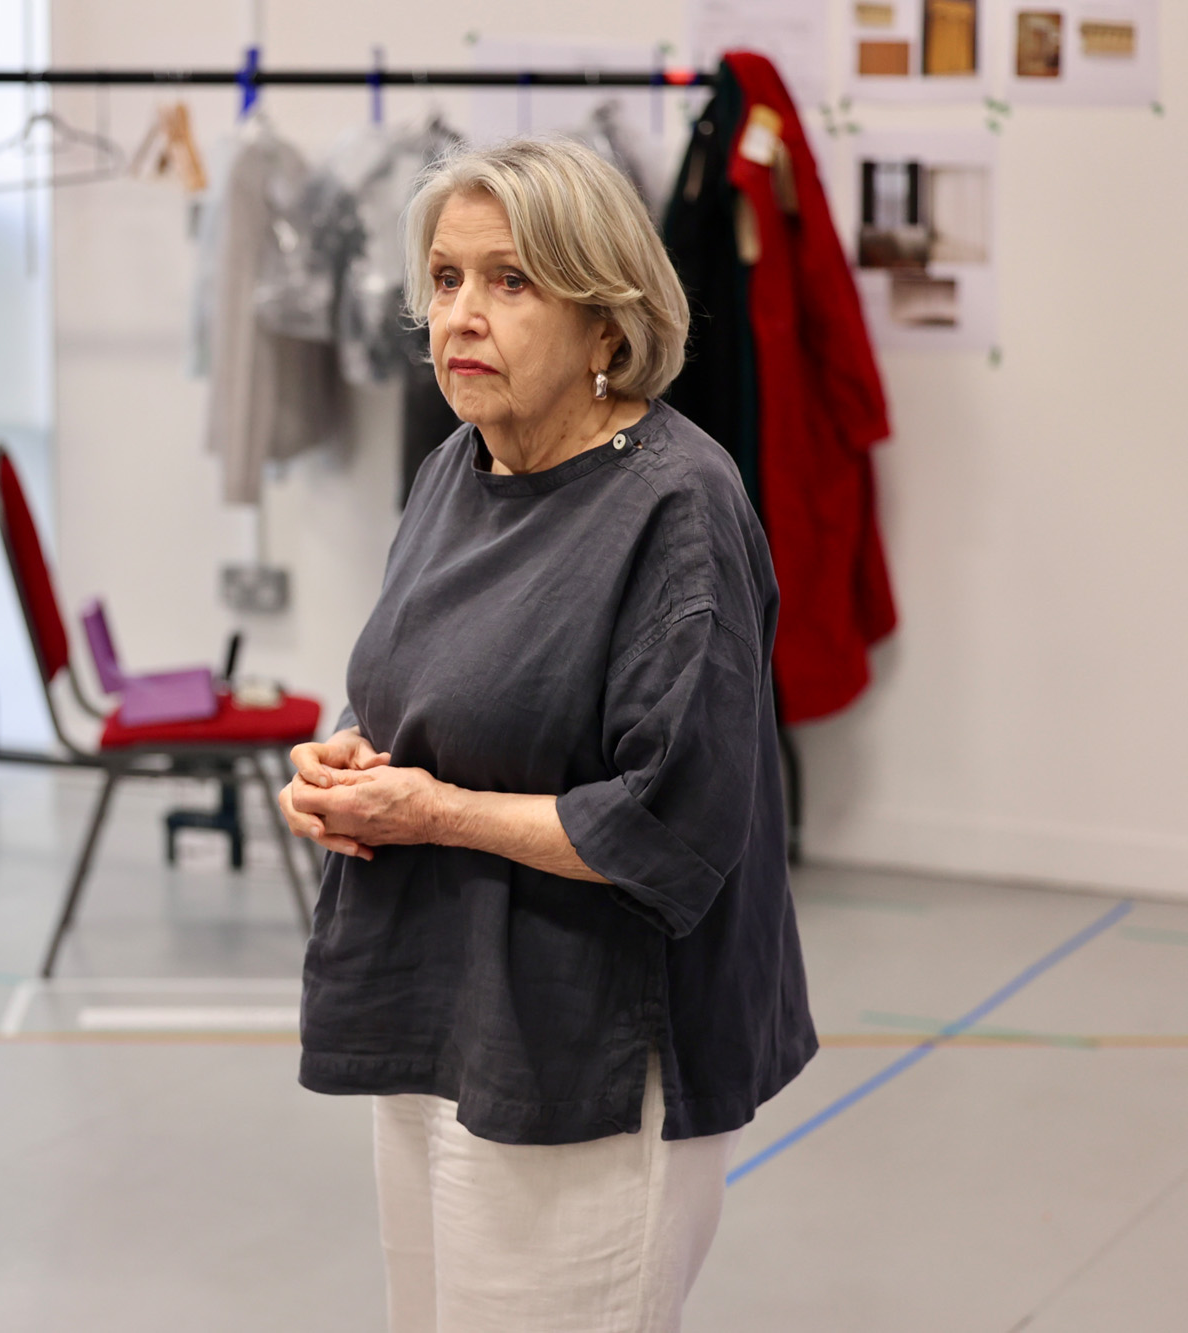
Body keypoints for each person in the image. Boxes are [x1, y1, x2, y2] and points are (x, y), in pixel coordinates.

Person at [277, 137, 816, 1333]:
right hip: (442, 1005)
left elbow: (668, 822)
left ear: (607, 324)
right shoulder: (451, 469)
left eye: (510, 281)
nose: (461, 314)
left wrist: (425, 812)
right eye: (445, 278)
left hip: (587, 1043)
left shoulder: (677, 506)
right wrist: (342, 753)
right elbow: (428, 686)